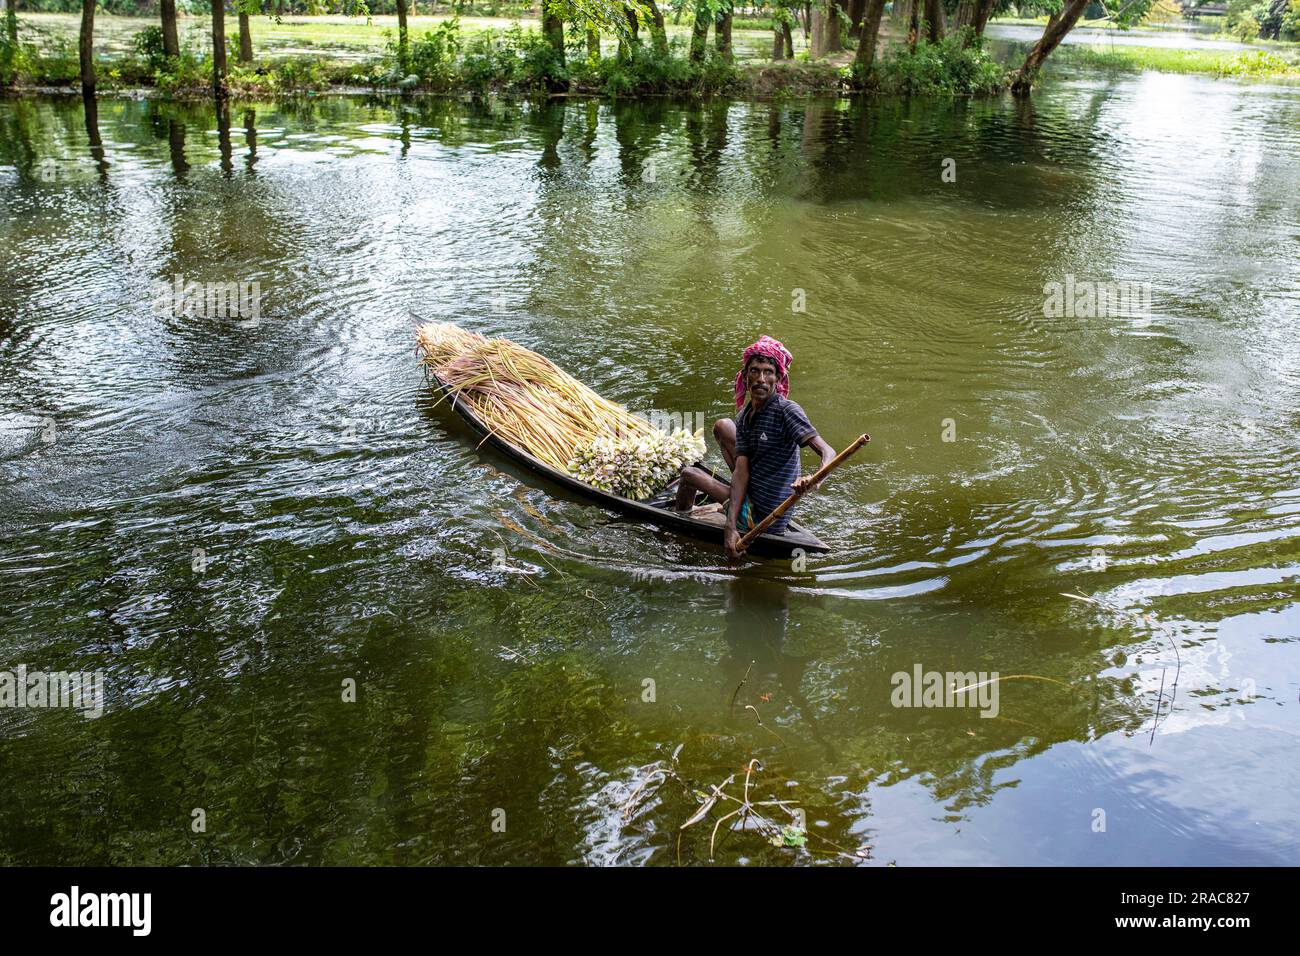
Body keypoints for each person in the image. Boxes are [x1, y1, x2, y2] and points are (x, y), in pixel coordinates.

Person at [674, 336, 835, 559]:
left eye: (768, 372)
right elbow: (741, 471)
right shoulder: (745, 417)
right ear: (745, 377)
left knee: (689, 474)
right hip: (752, 495)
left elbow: (828, 452)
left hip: (764, 518)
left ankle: (681, 518)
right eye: (754, 371)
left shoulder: (787, 411)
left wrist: (815, 479)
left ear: (778, 378)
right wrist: (730, 528)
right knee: (723, 426)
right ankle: (724, 509)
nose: (761, 379)